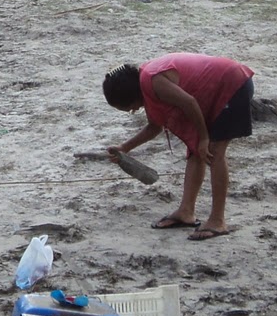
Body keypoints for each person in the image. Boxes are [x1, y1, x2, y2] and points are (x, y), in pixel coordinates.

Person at [103, 53, 254, 241]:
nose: (132, 111)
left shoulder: (153, 81)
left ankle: (218, 221)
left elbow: (189, 102)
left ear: (130, 96)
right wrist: (125, 147)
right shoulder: (145, 84)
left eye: (127, 108)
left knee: (213, 152)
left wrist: (204, 138)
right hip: (215, 90)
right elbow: (154, 127)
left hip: (232, 84)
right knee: (195, 151)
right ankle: (186, 212)